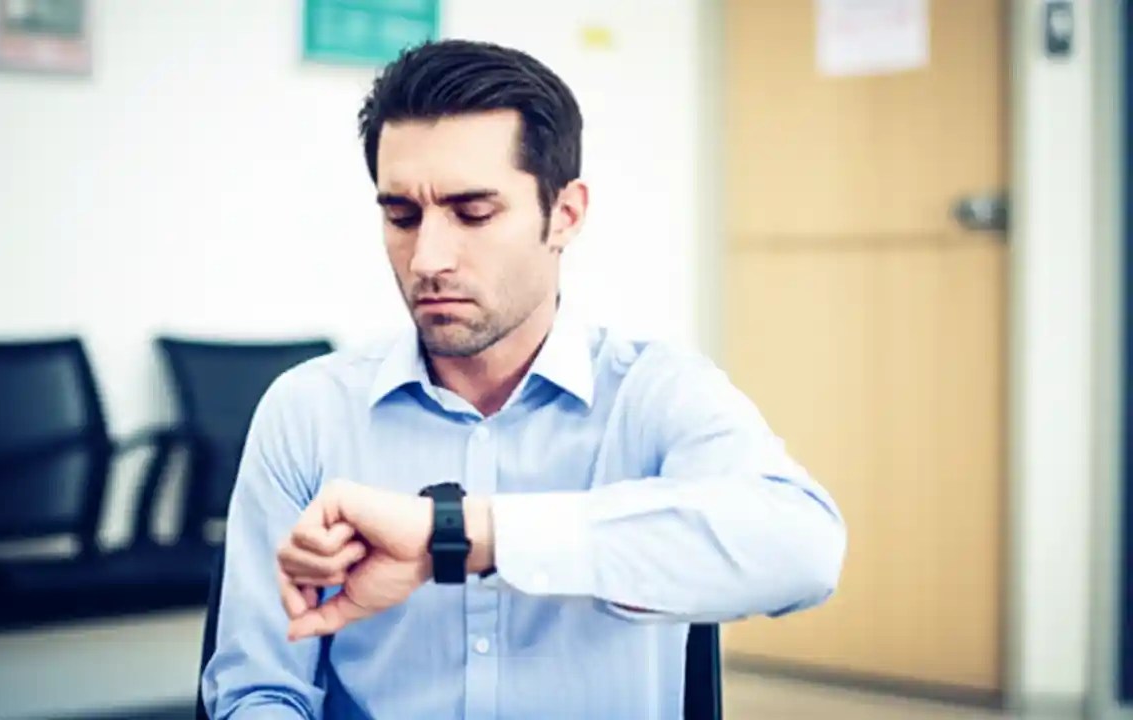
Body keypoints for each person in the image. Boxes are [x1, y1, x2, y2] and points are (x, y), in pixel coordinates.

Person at [201, 39, 846, 720]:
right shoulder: (309, 411)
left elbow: (802, 547)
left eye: (474, 213)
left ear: (564, 214)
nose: (428, 258)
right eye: (401, 216)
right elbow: (257, 691)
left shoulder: (656, 393)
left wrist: (465, 534)